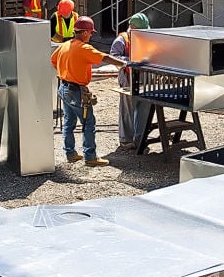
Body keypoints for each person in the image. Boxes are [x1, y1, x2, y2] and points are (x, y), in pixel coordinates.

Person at [51, 15, 127, 166]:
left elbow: (53, 60)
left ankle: (70, 153)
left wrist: (68, 72)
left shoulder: (65, 45)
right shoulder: (84, 48)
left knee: (69, 122)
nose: (91, 36)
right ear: (85, 32)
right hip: (76, 91)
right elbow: (105, 57)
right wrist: (124, 64)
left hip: (64, 88)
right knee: (88, 123)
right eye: (91, 33)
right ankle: (90, 157)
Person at [111, 13, 152, 150]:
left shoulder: (147, 38)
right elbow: (114, 57)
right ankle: (126, 139)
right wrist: (131, 61)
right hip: (128, 77)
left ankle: (140, 138)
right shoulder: (122, 40)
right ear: (132, 28)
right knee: (128, 107)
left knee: (144, 106)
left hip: (144, 77)